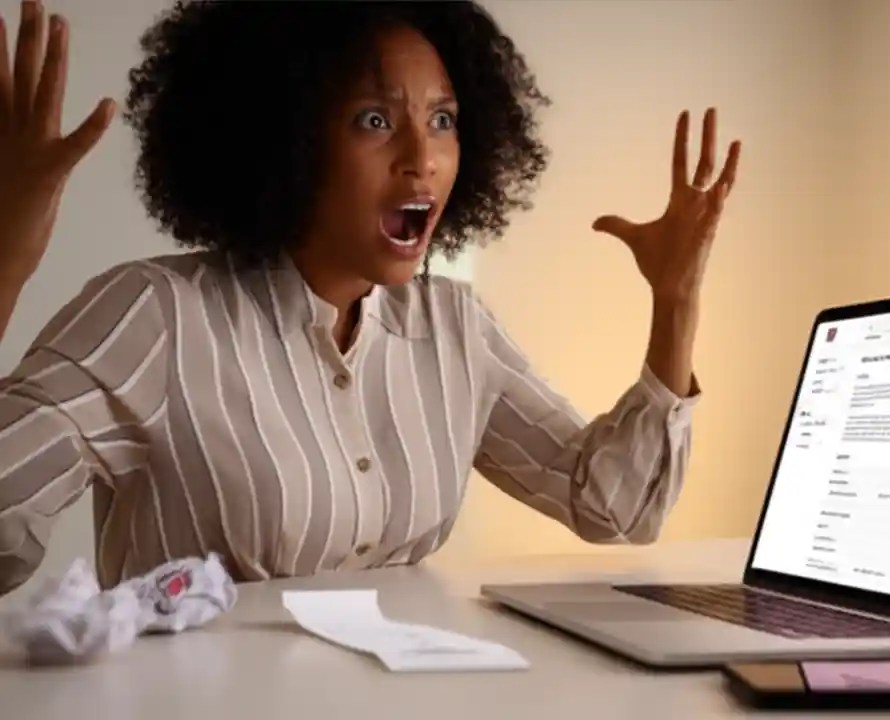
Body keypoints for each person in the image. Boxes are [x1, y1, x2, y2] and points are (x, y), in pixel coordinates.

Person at [0, 0, 741, 597]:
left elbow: (611, 506)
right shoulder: (156, 316)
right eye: (376, 121)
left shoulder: (456, 328)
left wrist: (676, 304)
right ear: (285, 138)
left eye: (443, 121)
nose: (421, 159)